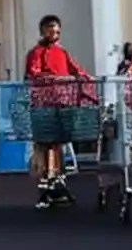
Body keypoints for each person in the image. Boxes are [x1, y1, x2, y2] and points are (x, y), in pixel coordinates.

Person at [25, 14, 91, 208]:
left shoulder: (62, 52)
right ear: (43, 31)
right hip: (44, 104)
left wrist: (85, 79)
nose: (54, 33)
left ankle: (57, 178)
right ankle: (47, 180)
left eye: (56, 30)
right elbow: (33, 73)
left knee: (58, 142)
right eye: (50, 30)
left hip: (62, 102)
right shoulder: (36, 52)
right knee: (45, 143)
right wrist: (54, 79)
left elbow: (76, 69)